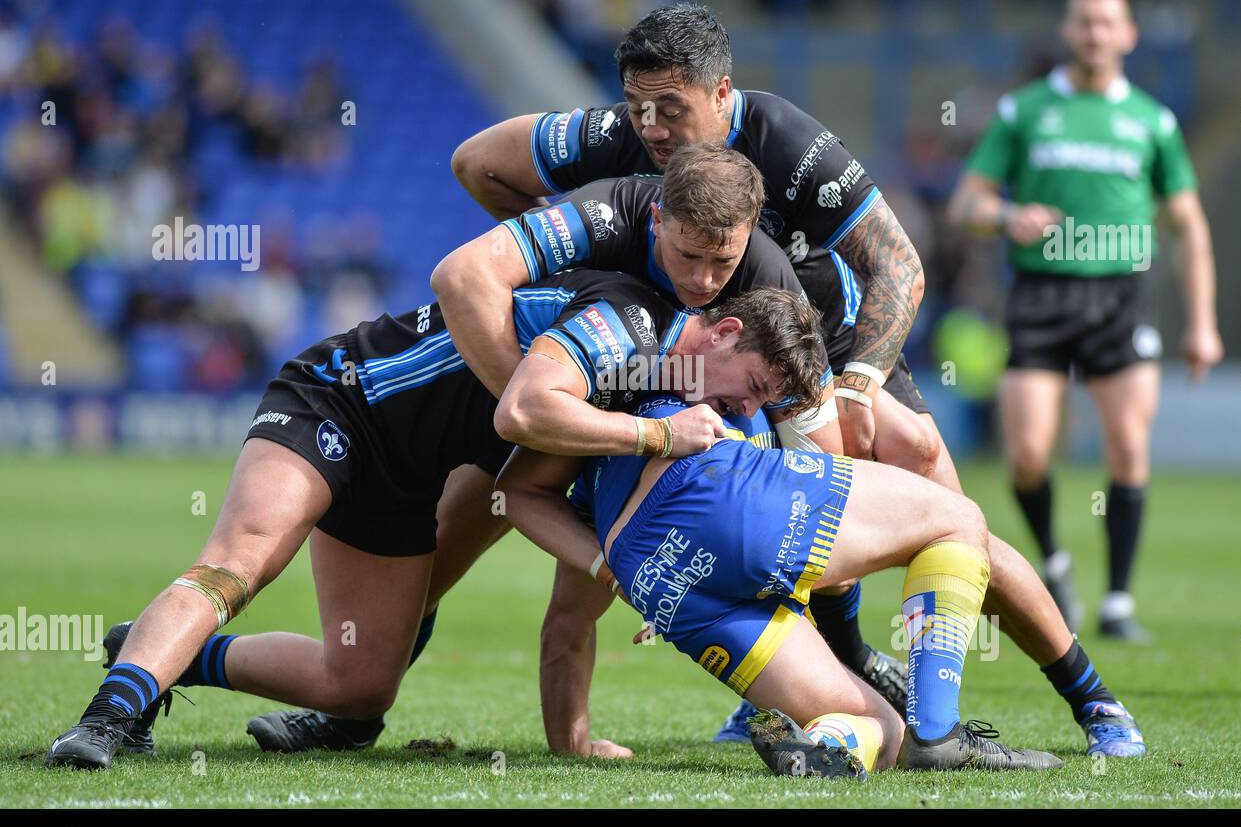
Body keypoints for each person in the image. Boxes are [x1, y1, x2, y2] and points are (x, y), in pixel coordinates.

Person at [453, 3, 1146, 755]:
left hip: (827, 352)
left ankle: (1093, 700)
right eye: (638, 106)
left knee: (947, 513)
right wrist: (593, 278)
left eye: (672, 110)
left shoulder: (783, 140)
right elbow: (477, 163)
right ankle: (764, 699)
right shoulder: (620, 139)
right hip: (698, 359)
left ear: (723, 96)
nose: (650, 126)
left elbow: (901, 265)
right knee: (582, 543)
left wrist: (861, 382)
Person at [45, 267, 822, 770]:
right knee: (241, 561)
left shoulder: (651, 392)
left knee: (360, 684)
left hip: (403, 480)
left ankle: (152, 655)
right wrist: (658, 437)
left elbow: (523, 495)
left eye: (761, 407)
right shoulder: (627, 325)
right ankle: (106, 721)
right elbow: (525, 409)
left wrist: (620, 570)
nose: (745, 412)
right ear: (720, 332)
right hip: (337, 398)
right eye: (750, 386)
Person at [496, 393, 1063, 773]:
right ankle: (939, 734)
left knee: (880, 730)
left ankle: (828, 747)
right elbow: (911, 441)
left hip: (661, 578)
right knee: (958, 519)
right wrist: (864, 381)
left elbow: (564, 622)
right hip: (718, 494)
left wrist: (571, 748)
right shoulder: (731, 310)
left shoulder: (589, 434)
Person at [948, 0, 1223, 641]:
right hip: (1042, 294)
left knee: (1129, 444)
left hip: (1122, 297)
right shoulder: (1025, 112)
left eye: (1107, 23)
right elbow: (966, 205)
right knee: (1027, 457)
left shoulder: (1154, 121)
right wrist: (1006, 216)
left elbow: (1188, 224)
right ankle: (1055, 560)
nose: (1095, 34)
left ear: (1128, 35)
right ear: (1067, 32)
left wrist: (1204, 323)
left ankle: (1119, 601)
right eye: (1083, 23)